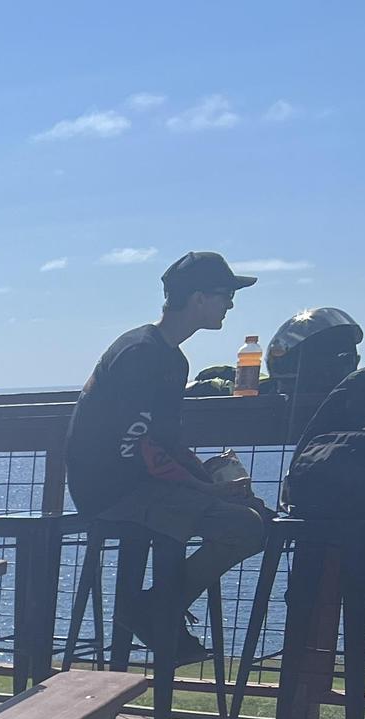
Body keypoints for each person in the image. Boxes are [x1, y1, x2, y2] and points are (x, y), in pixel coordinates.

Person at [66, 251, 269, 665]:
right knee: (246, 527)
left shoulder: (172, 359)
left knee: (255, 515)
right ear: (198, 298)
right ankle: (153, 609)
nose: (230, 305)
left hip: (139, 484)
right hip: (111, 492)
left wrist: (210, 480)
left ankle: (156, 607)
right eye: (225, 294)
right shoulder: (140, 353)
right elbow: (140, 445)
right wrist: (204, 489)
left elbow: (165, 442)